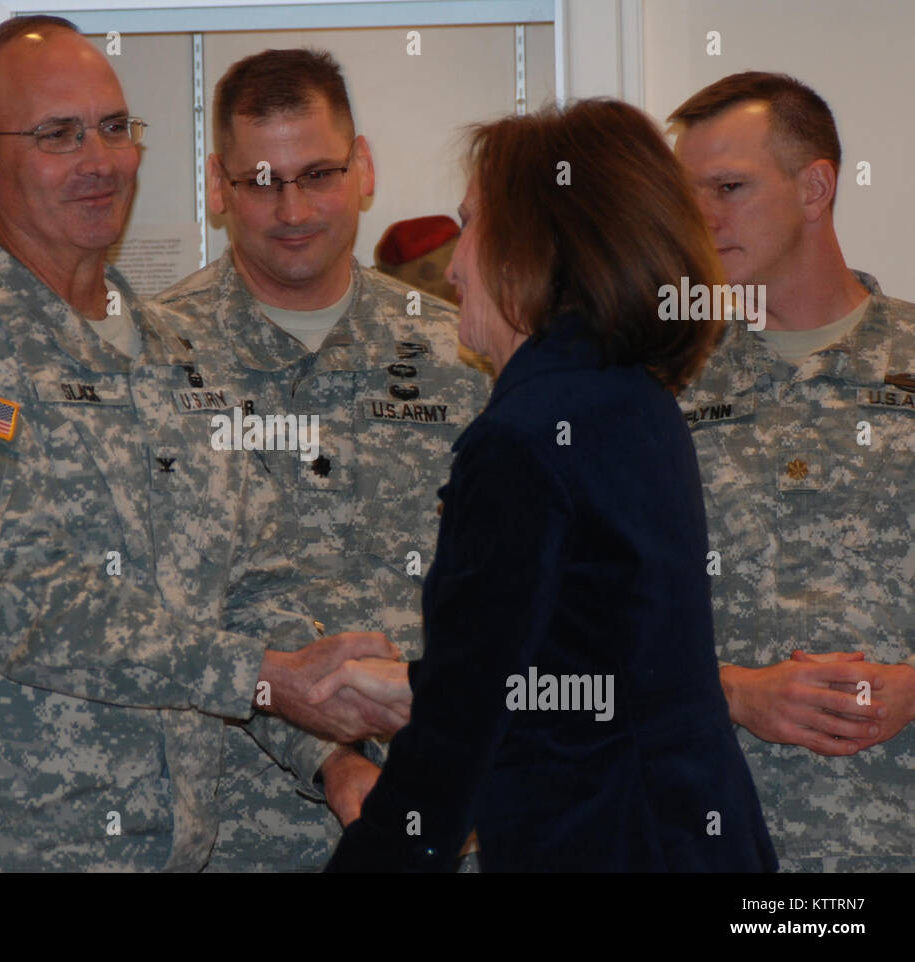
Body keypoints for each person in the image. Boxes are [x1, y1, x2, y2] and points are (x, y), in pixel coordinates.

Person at [0, 16, 400, 872]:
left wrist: (331, 749)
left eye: (115, 128)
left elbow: (239, 582)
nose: (99, 159)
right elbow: (15, 599)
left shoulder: (175, 358)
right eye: (57, 135)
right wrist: (269, 675)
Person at [322, 99, 779, 872]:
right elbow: (566, 647)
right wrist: (411, 684)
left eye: (472, 225)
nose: (456, 262)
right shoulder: (631, 397)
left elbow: (462, 729)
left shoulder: (525, 436)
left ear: (532, 246)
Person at [157, 48, 489, 870]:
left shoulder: (466, 354)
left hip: (449, 818)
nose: (293, 208)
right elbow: (167, 612)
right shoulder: (155, 360)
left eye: (318, 173)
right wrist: (329, 760)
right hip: (235, 834)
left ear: (364, 166)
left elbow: (513, 588)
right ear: (217, 186)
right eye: (261, 181)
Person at [669, 72, 915, 872]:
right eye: (688, 193)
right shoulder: (657, 384)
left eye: (729, 188)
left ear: (816, 188)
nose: (701, 218)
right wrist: (734, 692)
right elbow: (585, 616)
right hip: (719, 835)